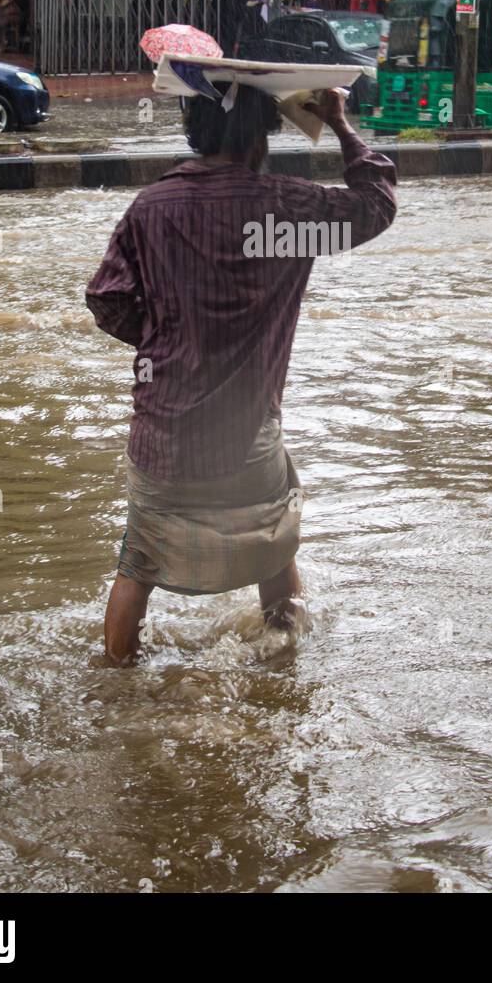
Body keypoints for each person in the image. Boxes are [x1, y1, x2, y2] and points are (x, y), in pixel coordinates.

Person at [86, 84, 397, 666]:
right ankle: (283, 663)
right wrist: (339, 123)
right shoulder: (292, 212)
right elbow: (376, 204)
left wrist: (168, 335)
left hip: (163, 436)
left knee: (138, 563)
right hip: (248, 438)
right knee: (276, 549)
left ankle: (115, 681)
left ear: (194, 133)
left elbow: (106, 299)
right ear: (261, 138)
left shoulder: (151, 208)